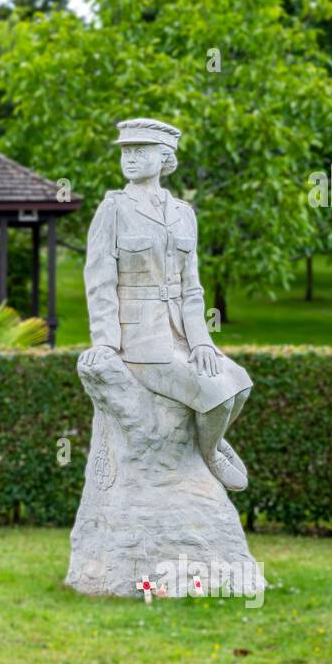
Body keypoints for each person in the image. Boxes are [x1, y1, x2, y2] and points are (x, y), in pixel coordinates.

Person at [79, 118, 252, 491]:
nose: (130, 158)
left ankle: (212, 441)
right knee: (217, 395)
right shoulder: (113, 209)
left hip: (181, 335)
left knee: (239, 383)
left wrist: (202, 341)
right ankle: (209, 456)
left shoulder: (183, 213)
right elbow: (99, 281)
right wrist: (106, 341)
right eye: (126, 151)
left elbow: (192, 288)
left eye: (141, 151)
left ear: (165, 159)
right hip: (140, 339)